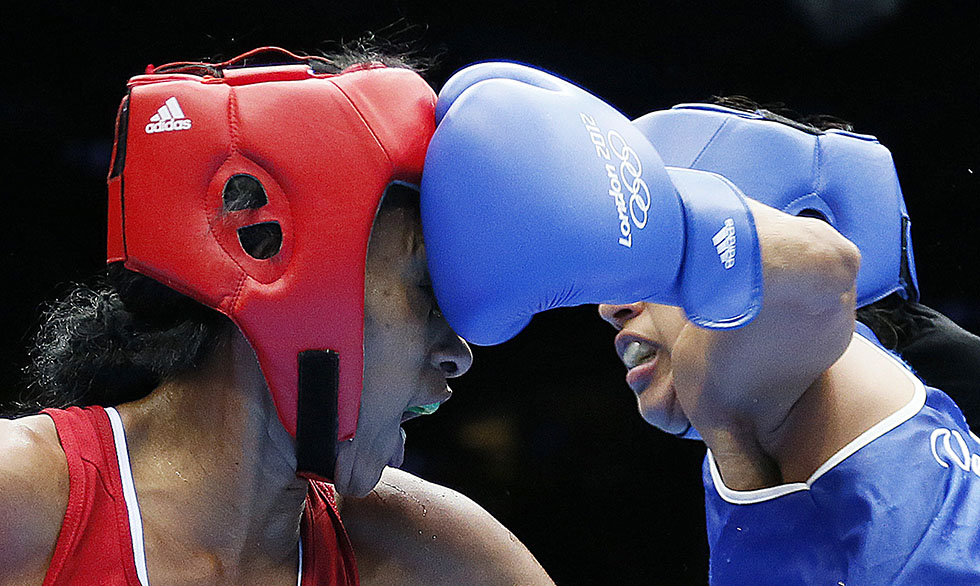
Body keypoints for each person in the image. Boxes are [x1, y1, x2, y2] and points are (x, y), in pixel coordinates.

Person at [0, 47, 554, 585]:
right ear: (290, 279)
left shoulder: (437, 558)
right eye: (427, 291)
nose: (458, 354)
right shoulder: (22, 503)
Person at [421, 61, 980, 583]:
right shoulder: (745, 437)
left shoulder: (823, 360)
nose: (610, 305)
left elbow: (821, 270)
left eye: (645, 246)